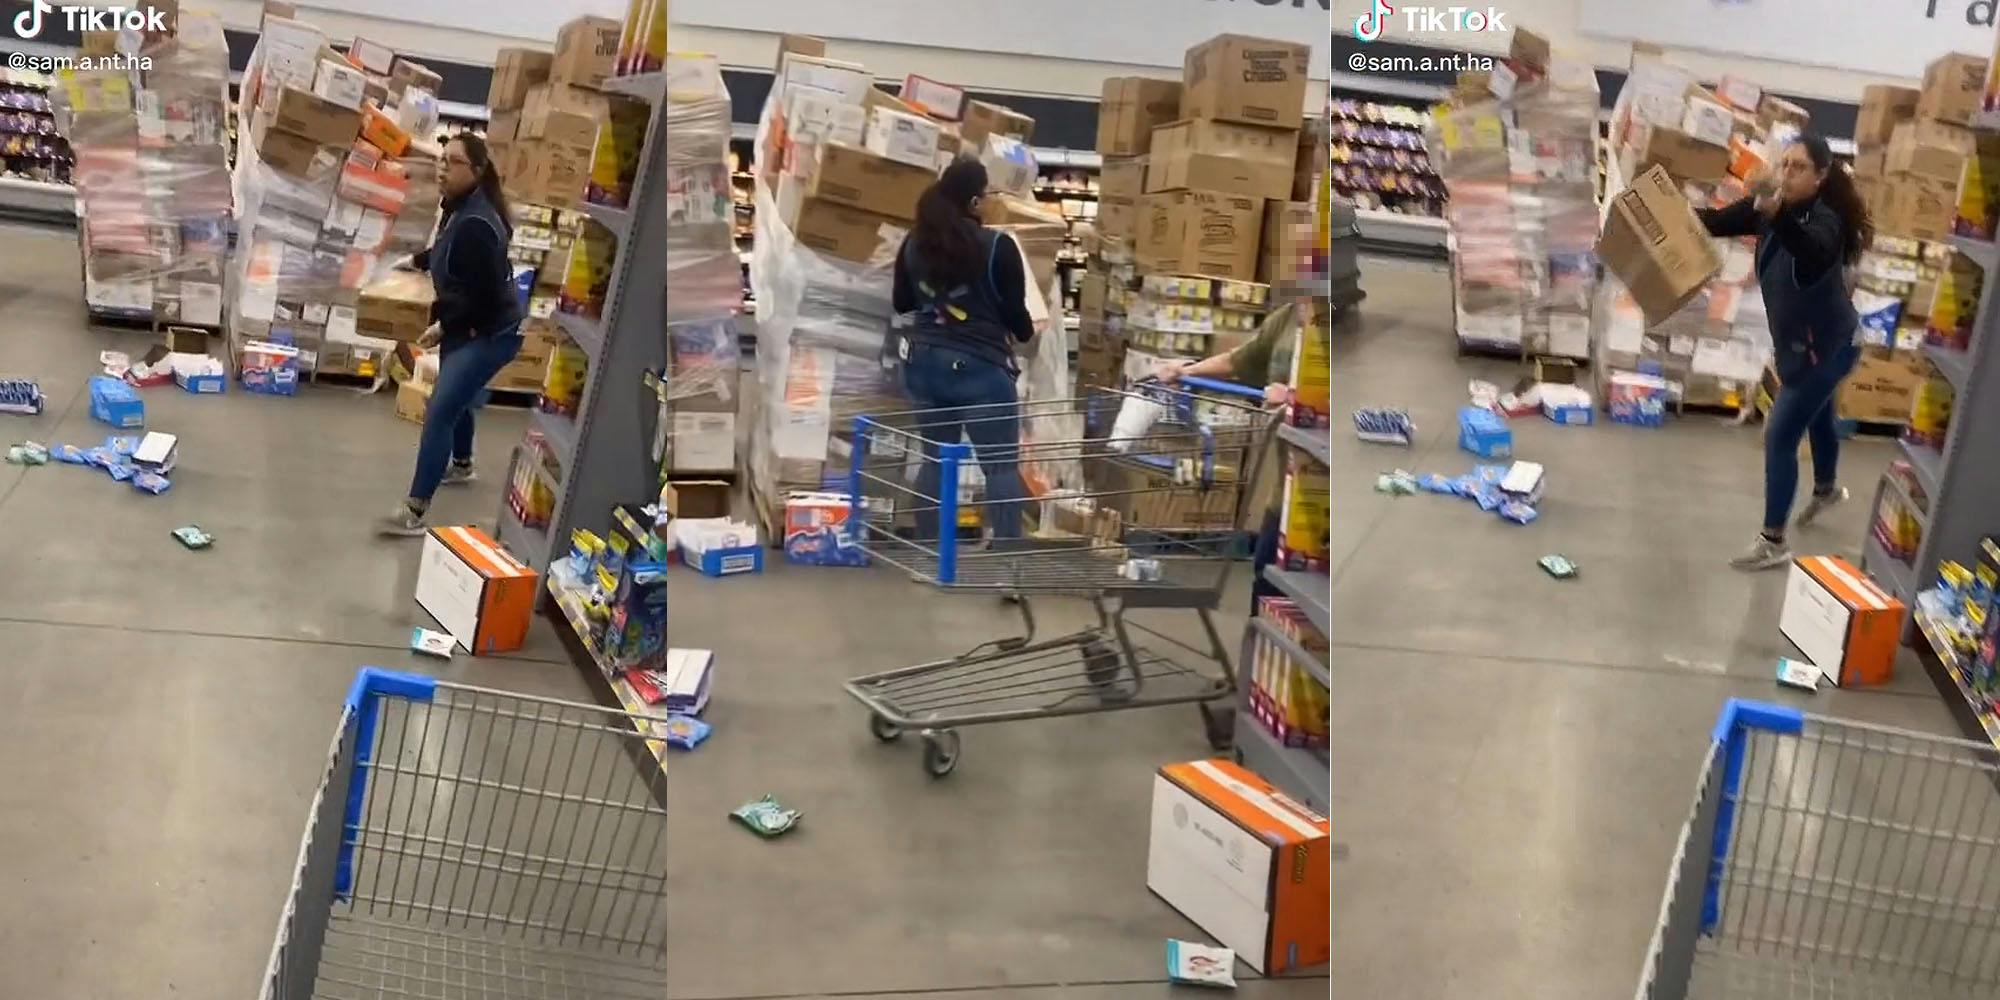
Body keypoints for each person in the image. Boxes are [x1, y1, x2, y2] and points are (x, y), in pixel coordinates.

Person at [1695, 134, 1871, 570]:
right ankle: (1827, 489)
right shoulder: (1769, 210)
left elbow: (1812, 251)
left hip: (1828, 349)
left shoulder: (1826, 221)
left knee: (1780, 434)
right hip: (1806, 345)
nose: (1788, 174)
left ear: (1821, 176)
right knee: (1821, 416)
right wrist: (1661, 211)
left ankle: (1773, 541)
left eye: (1799, 167)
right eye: (1784, 164)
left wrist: (1778, 216)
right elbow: (1714, 223)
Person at [377, 133, 526, 537]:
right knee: (455, 395)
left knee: (441, 410)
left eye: (453, 162)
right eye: (442, 160)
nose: (443, 168)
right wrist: (417, 260)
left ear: (477, 171)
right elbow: (445, 250)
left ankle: (415, 510)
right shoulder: (459, 208)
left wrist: (443, 327)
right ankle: (462, 465)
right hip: (469, 323)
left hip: (490, 331)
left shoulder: (478, 223)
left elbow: (486, 297)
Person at [890, 159, 1037, 542]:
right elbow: (1017, 320)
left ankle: (929, 554)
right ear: (973, 200)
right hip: (980, 370)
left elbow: (901, 303)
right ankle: (1008, 565)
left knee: (936, 458)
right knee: (1000, 467)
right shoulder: (998, 247)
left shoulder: (914, 243)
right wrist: (1025, 328)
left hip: (923, 366)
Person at [1157, 301, 1309, 614]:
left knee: (1304, 596)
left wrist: (1296, 395)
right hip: (1283, 492)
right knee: (1266, 580)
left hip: (1320, 494)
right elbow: (1241, 360)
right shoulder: (1286, 317)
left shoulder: (1332, 324)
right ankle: (1262, 659)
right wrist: (1187, 371)